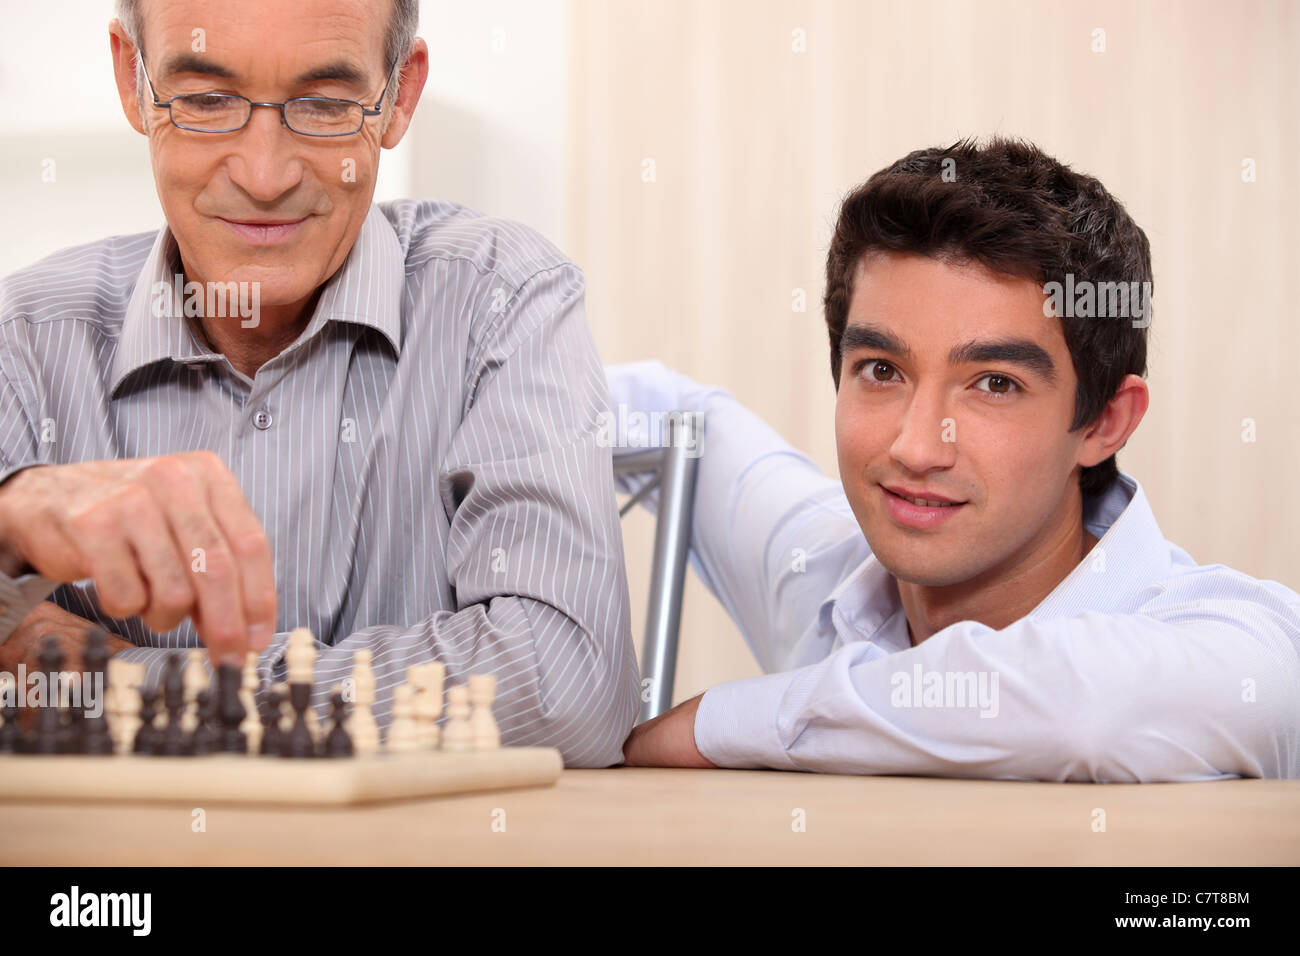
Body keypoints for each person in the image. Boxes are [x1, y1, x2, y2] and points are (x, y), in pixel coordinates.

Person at [0, 0, 639, 767]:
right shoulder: (25, 338)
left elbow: (568, 690)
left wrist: (128, 684)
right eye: (206, 100)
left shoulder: (501, 299)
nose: (265, 177)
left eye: (325, 106)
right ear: (131, 81)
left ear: (399, 95)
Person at [614, 138, 1300, 781]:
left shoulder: (1246, 645)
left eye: (995, 384)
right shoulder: (819, 567)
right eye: (882, 369)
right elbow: (661, 411)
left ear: (1104, 421)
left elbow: (1083, 716)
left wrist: (721, 722)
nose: (915, 448)